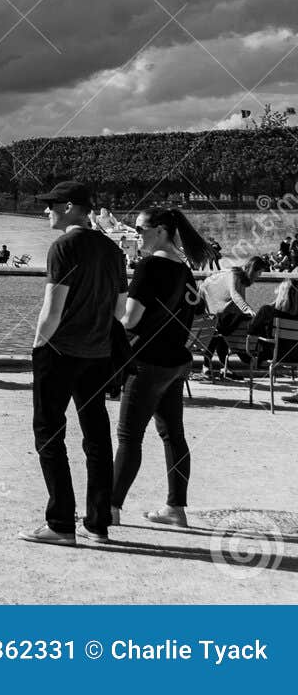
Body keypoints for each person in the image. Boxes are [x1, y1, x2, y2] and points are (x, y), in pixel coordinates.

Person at [19, 181, 126, 547]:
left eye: (50, 205)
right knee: (96, 438)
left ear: (67, 207)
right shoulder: (114, 251)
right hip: (97, 354)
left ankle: (61, 523)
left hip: (60, 351)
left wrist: (37, 348)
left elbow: (52, 310)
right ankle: (97, 525)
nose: (45, 211)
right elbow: (122, 312)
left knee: (49, 433)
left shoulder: (63, 246)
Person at [111, 207, 210, 528]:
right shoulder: (184, 269)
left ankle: (109, 508)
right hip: (175, 363)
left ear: (162, 231)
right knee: (173, 436)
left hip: (146, 362)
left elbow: (130, 319)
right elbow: (192, 318)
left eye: (140, 230)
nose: (134, 235)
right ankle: (175, 508)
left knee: (128, 437)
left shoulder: (149, 267)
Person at [202, 256, 268, 373]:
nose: (259, 276)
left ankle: (221, 366)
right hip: (210, 302)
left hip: (218, 310)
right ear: (253, 270)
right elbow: (235, 294)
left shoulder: (241, 279)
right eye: (259, 273)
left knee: (220, 332)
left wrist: (247, 312)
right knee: (219, 330)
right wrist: (247, 309)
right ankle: (240, 358)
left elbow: (239, 300)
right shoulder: (234, 274)